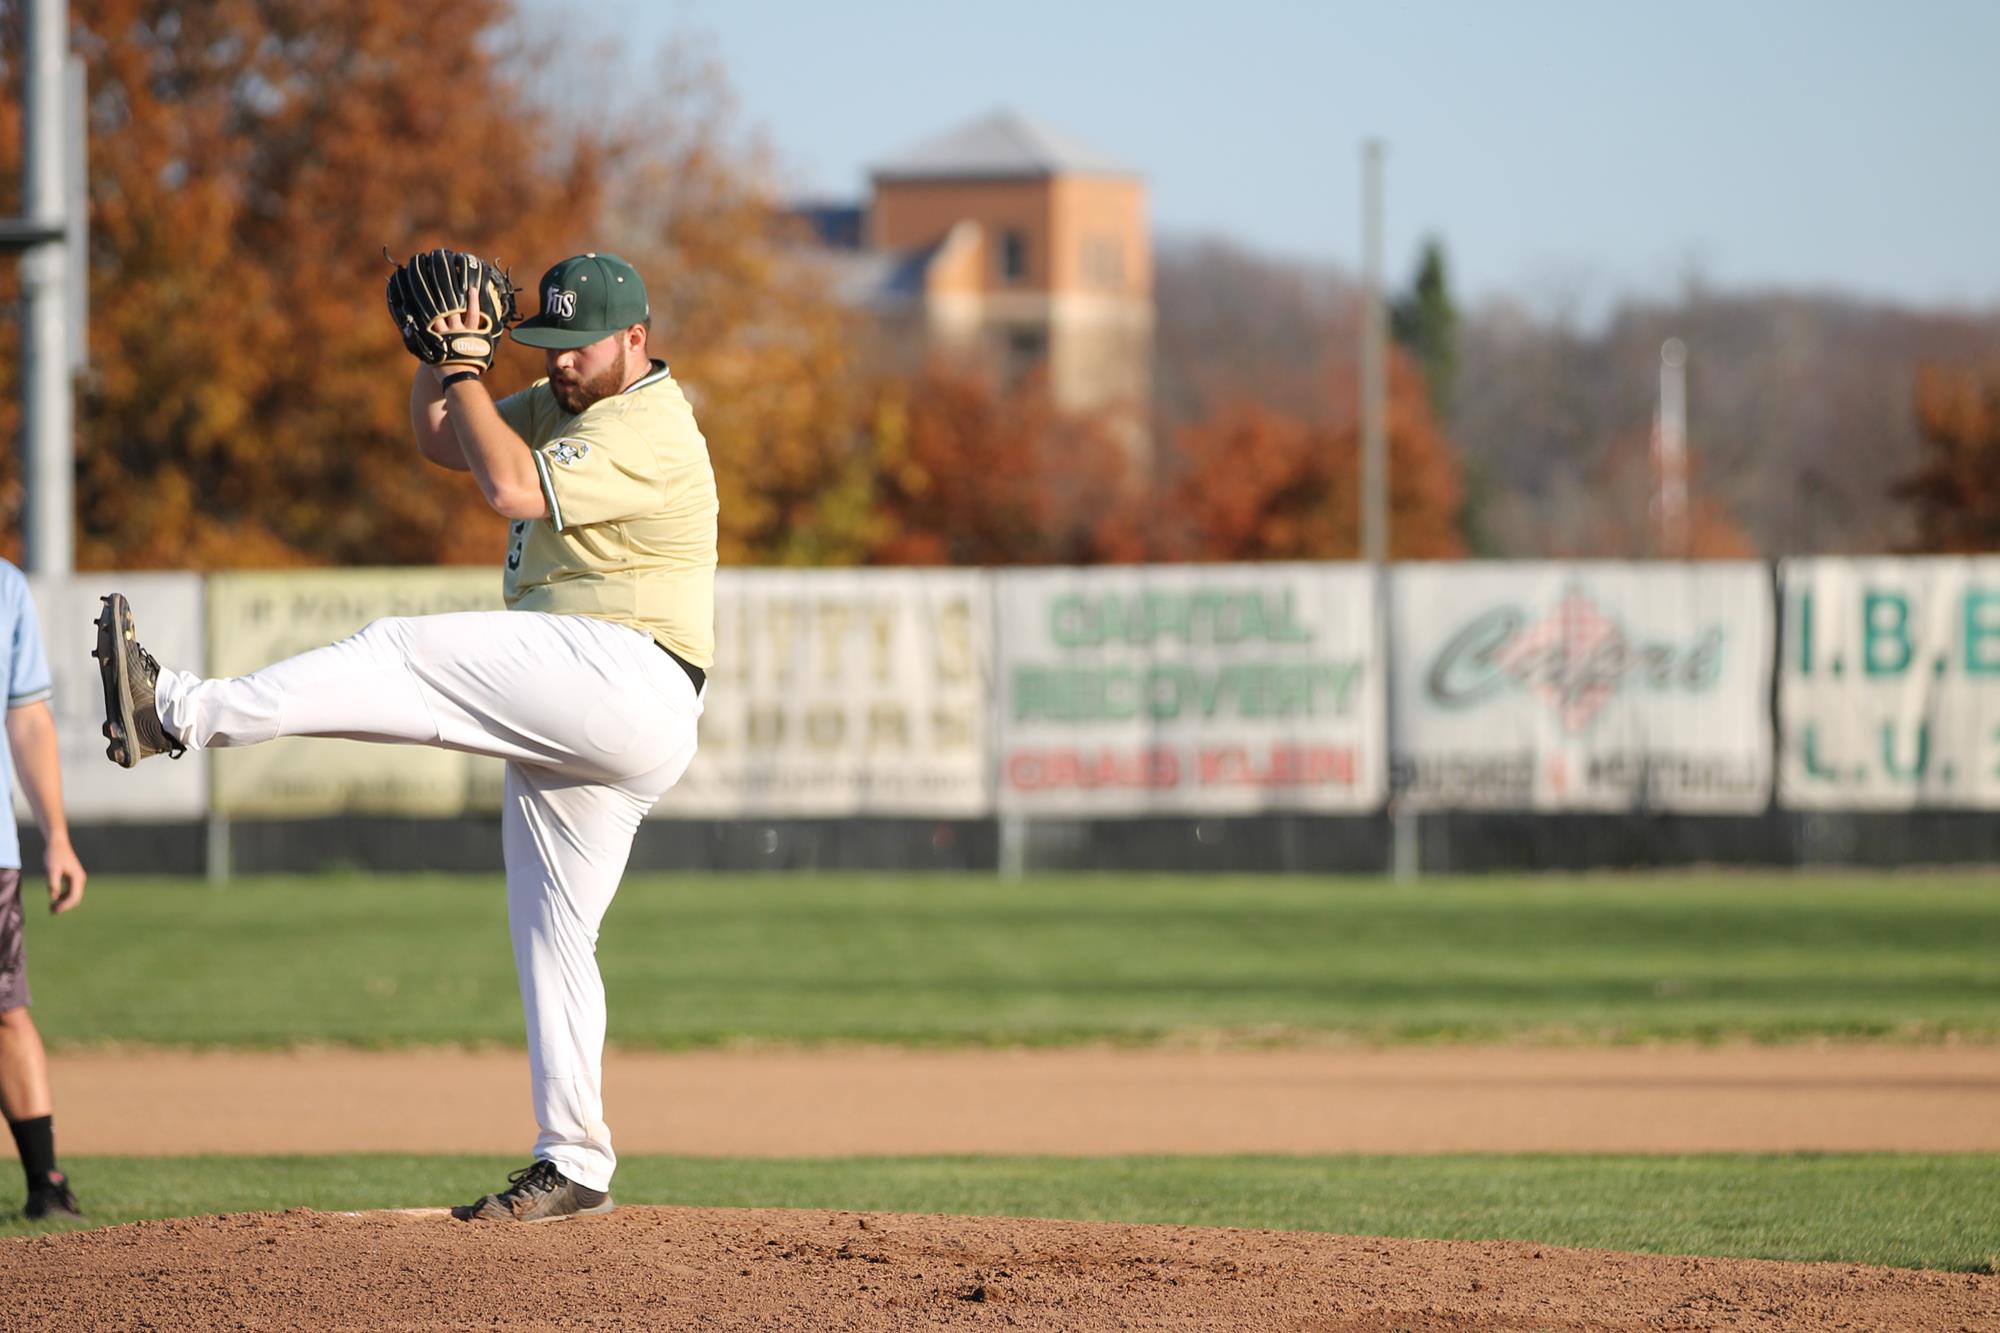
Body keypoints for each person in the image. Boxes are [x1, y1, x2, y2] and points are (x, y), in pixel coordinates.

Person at [94, 251, 717, 1223]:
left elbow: (508, 490)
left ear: (636, 338)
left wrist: (469, 365)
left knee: (401, 649)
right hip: (594, 697)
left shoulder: (652, 425)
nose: (555, 363)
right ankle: (575, 1161)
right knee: (552, 934)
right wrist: (435, 357)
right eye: (543, 344)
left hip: (626, 673)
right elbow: (440, 440)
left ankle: (178, 710)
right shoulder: (569, 401)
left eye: (577, 346)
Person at [0, 559, 90, 1221]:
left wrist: (56, 833)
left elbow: (27, 715)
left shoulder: (4, 584)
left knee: (5, 1007)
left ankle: (46, 1183)